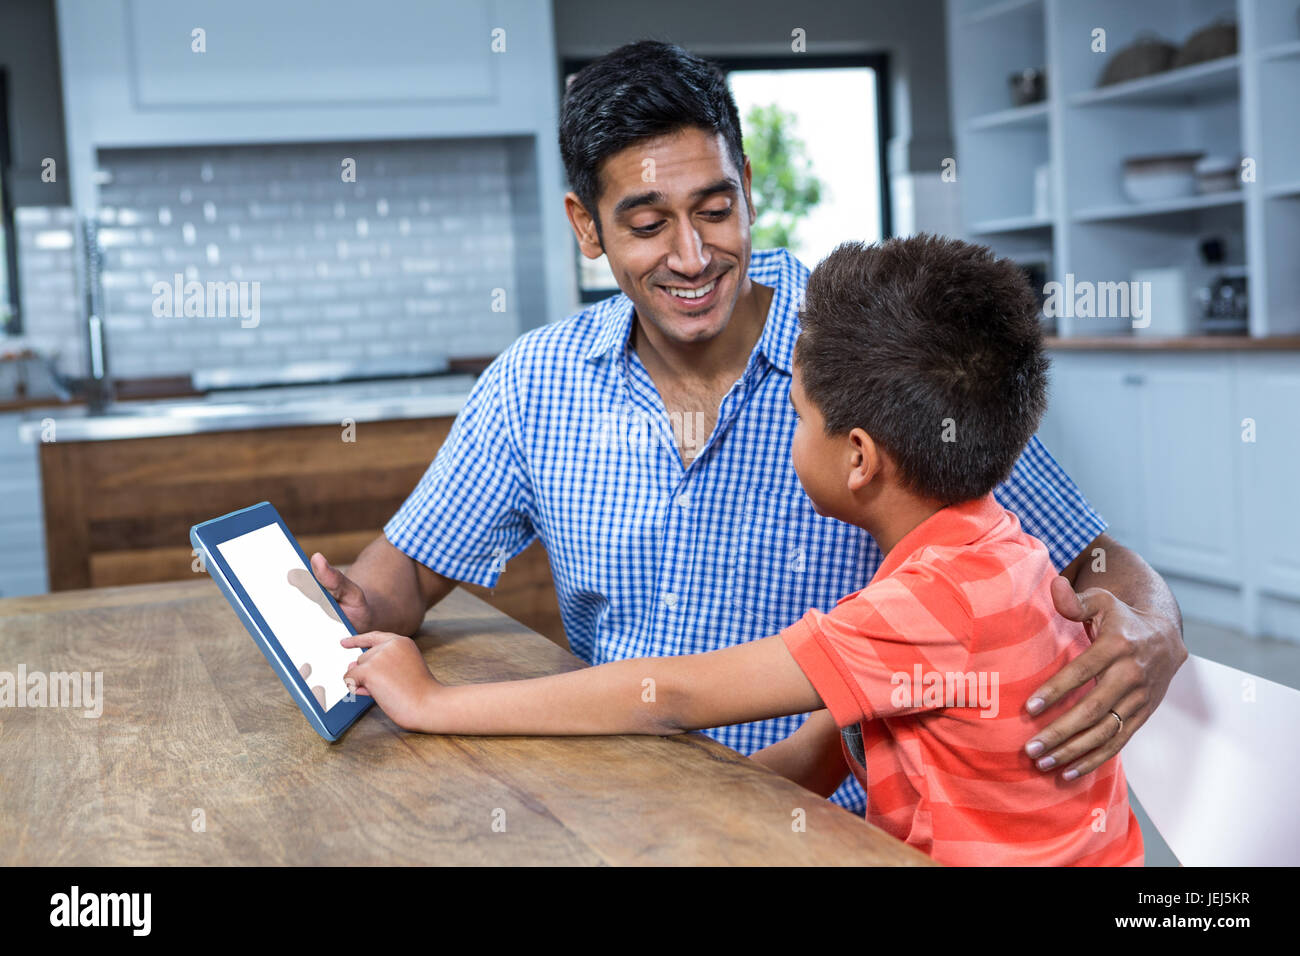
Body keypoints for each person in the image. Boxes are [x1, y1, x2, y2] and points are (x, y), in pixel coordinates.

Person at [311, 40, 1186, 812]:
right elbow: (408, 576)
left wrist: (1155, 622)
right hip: (620, 805)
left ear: (749, 191)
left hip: (841, 822)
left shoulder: (867, 350)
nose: (693, 257)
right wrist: (354, 612)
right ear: (587, 226)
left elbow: (1087, 554)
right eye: (648, 225)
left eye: (715, 209)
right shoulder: (535, 382)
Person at [339, 235, 1146, 866]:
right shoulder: (1002, 554)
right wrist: (675, 823)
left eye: (798, 416)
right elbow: (828, 745)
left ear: (860, 459)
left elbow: (669, 695)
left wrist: (430, 701)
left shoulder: (920, 609)